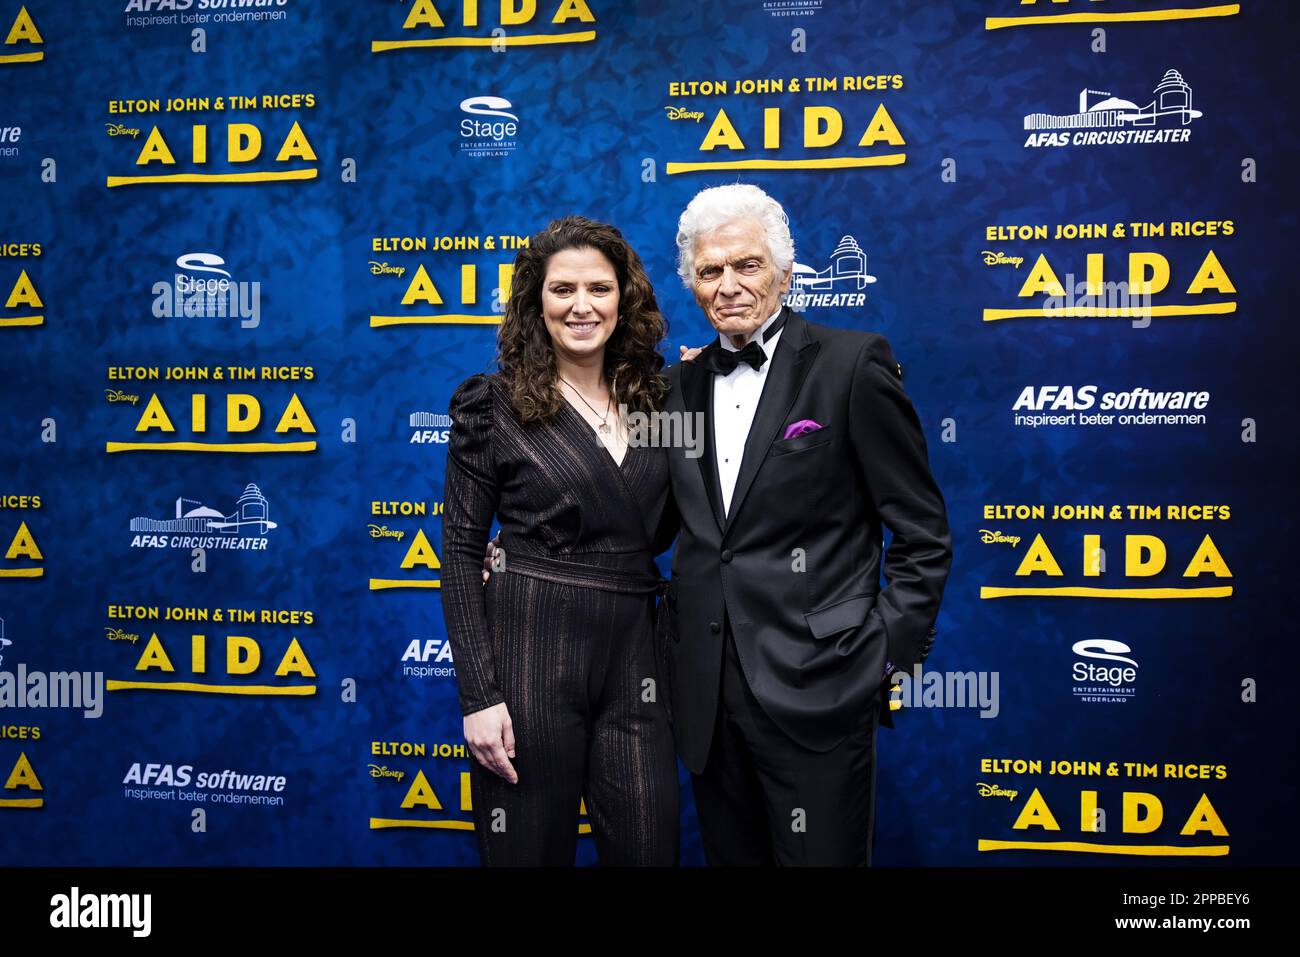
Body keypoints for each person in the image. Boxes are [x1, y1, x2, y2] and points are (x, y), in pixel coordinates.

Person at [660, 183, 952, 866]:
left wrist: (879, 657)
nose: (728, 285)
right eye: (710, 271)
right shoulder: (675, 390)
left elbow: (921, 531)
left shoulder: (853, 364)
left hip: (820, 687)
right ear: (692, 284)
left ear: (786, 273)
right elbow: (655, 520)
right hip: (705, 698)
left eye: (747, 265)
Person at [440, 215, 679, 866]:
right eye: (562, 289)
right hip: (529, 654)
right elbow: (462, 552)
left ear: (623, 299)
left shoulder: (664, 403)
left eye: (600, 289)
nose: (582, 306)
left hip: (638, 657)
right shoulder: (493, 404)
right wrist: (479, 697)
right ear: (534, 302)